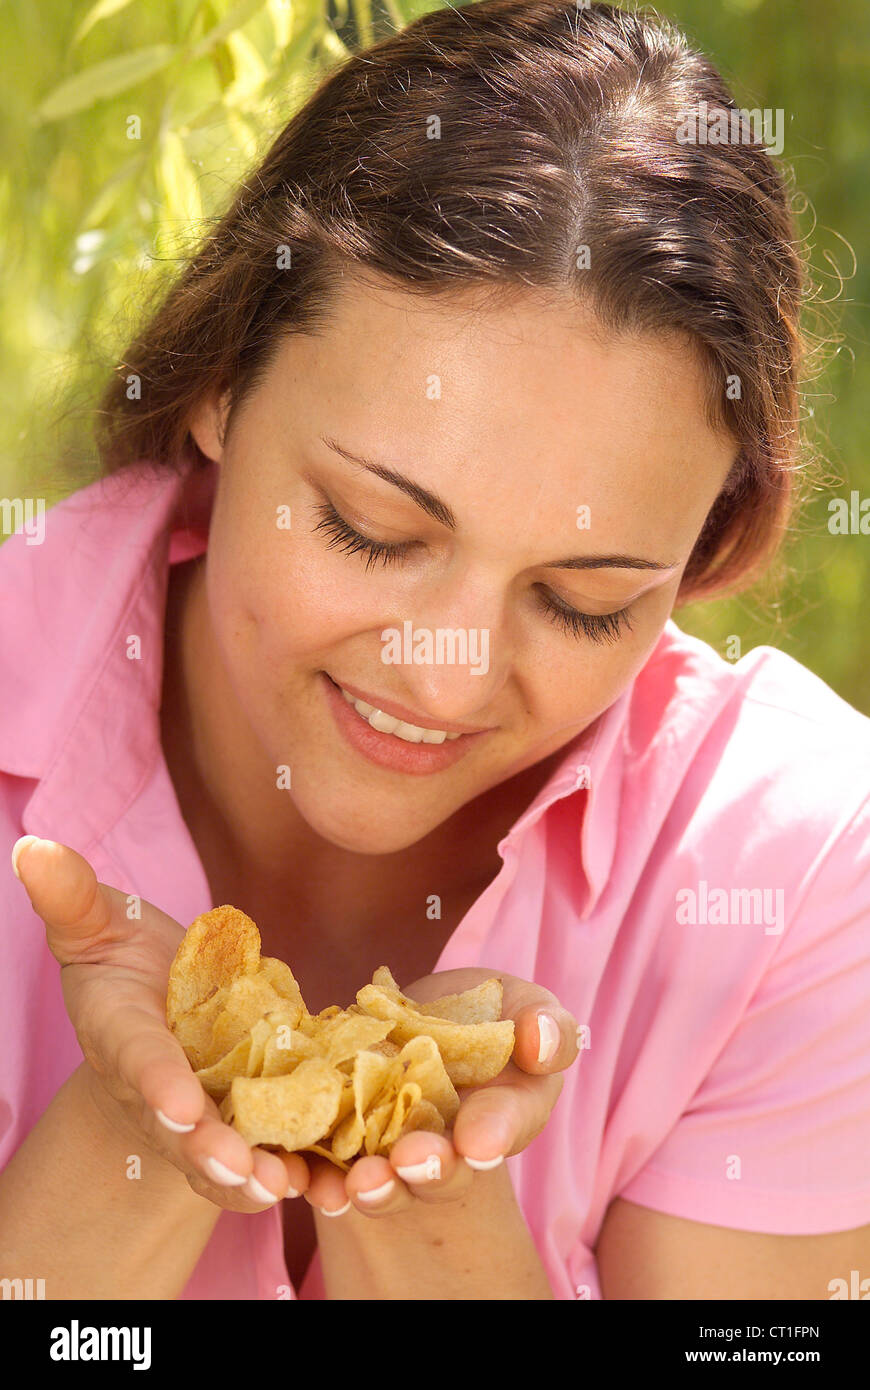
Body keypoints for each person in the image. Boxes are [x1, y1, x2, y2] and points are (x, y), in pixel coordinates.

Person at [2, 0, 869, 1302]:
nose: (447, 676)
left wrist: (427, 1199)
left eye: (582, 600)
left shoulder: (802, 871)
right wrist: (138, 1135)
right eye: (370, 528)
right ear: (222, 384)